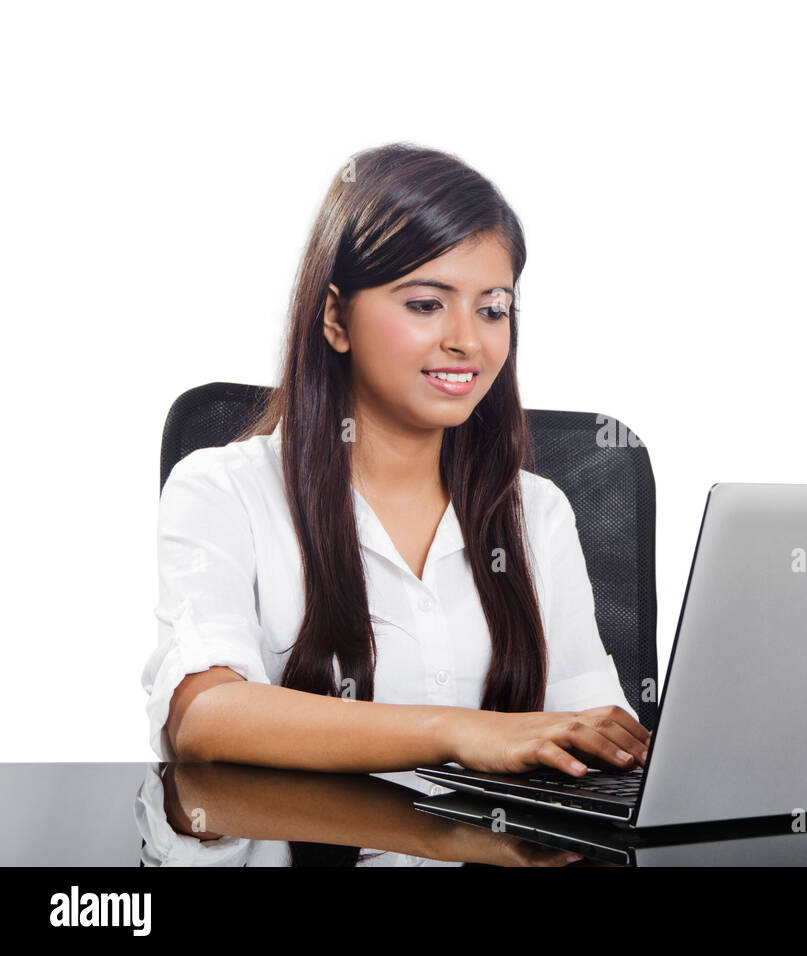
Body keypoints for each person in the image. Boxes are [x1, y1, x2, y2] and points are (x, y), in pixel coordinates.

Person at [143, 143, 651, 779]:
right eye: (425, 304)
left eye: (493, 309)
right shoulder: (223, 492)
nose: (467, 340)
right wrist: (459, 732)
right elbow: (203, 715)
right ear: (335, 318)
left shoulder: (536, 512)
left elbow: (587, 723)